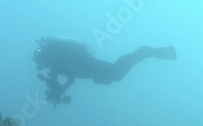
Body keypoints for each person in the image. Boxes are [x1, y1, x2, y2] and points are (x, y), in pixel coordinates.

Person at [33, 36, 177, 106]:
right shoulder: (55, 63)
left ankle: (141, 52)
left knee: (115, 72)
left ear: (42, 58)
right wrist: (62, 88)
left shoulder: (54, 61)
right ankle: (141, 53)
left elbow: (62, 74)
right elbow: (71, 77)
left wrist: (57, 88)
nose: (42, 66)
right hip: (86, 68)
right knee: (116, 75)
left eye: (40, 63)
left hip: (86, 65)